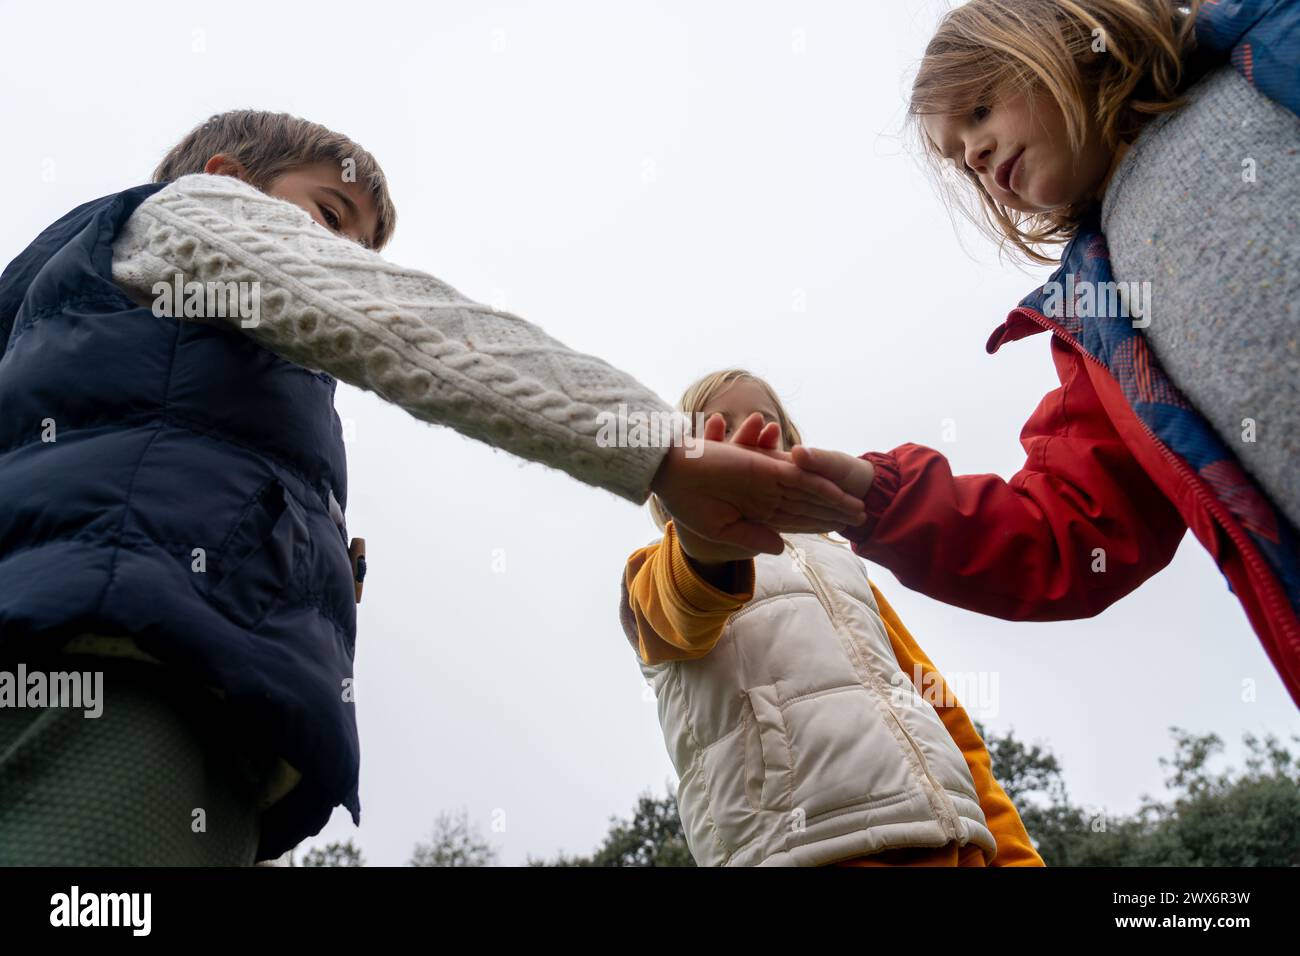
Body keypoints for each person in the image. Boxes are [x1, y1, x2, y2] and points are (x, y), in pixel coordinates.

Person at [0, 111, 865, 864]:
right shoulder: (187, 213)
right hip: (114, 670)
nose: (343, 254)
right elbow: (396, 319)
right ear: (226, 181)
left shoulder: (149, 353)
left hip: (190, 702)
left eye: (364, 243)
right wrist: (663, 452)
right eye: (330, 215)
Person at [786, 0, 1300, 706]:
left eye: (978, 111)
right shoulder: (1099, 317)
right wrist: (874, 500)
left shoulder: (1270, 49)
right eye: (956, 154)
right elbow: (1068, 529)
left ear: (1066, 42)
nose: (973, 153)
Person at [621, 369, 1043, 866]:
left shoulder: (844, 564)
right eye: (718, 428)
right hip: (805, 849)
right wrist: (705, 542)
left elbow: (941, 712)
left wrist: (1014, 855)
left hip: (950, 839)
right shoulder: (655, 569)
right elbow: (681, 608)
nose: (749, 438)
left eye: (765, 423)